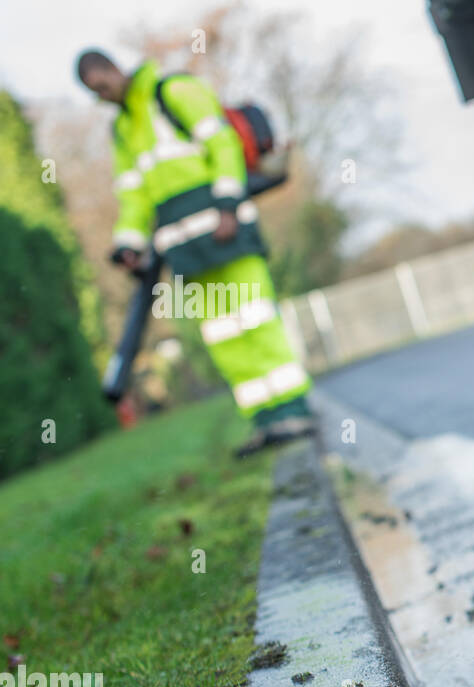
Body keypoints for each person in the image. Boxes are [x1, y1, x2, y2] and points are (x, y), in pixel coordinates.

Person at [77, 49, 314, 456]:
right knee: (222, 333)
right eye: (95, 94)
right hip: (183, 247)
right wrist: (128, 242)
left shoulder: (174, 91)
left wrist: (226, 204)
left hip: (226, 230)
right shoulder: (122, 131)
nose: (104, 97)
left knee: (255, 318)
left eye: (103, 86)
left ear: (113, 70)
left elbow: (222, 144)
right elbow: (132, 194)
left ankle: (294, 410)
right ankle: (265, 419)